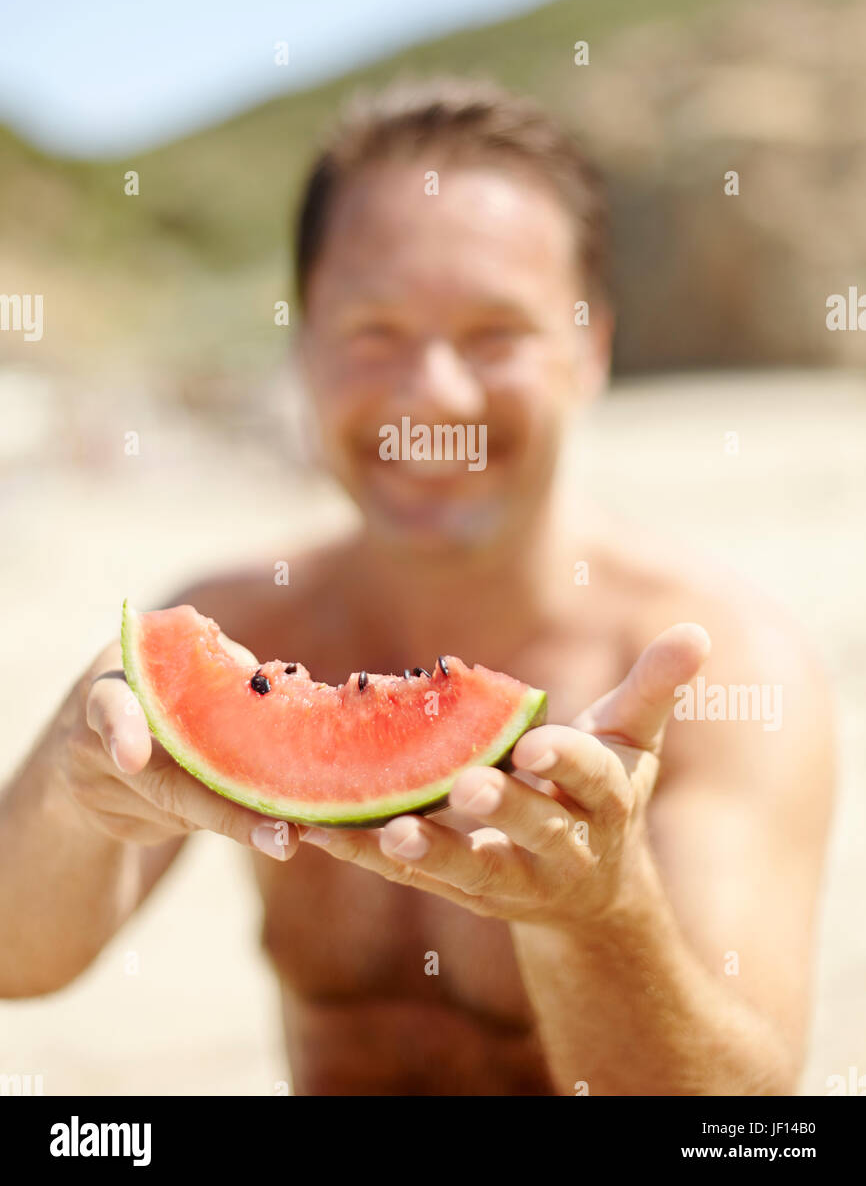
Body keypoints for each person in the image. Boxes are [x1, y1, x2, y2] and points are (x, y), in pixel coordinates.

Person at [0, 78, 835, 1096]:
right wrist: (71, 792)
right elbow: (17, 960)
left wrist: (601, 918)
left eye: (496, 334)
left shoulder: (723, 673)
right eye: (373, 331)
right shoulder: (244, 620)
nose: (432, 395)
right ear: (303, 349)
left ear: (589, 351)